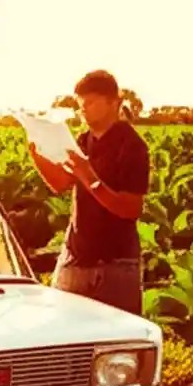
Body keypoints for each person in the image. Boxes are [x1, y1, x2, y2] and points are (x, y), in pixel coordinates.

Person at [29, 69, 150, 315]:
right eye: (81, 104)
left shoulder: (132, 146)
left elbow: (130, 208)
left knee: (115, 337)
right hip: (76, 255)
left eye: (90, 102)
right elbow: (61, 183)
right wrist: (36, 155)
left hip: (115, 263)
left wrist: (89, 177)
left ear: (114, 103)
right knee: (62, 329)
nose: (83, 109)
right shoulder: (83, 141)